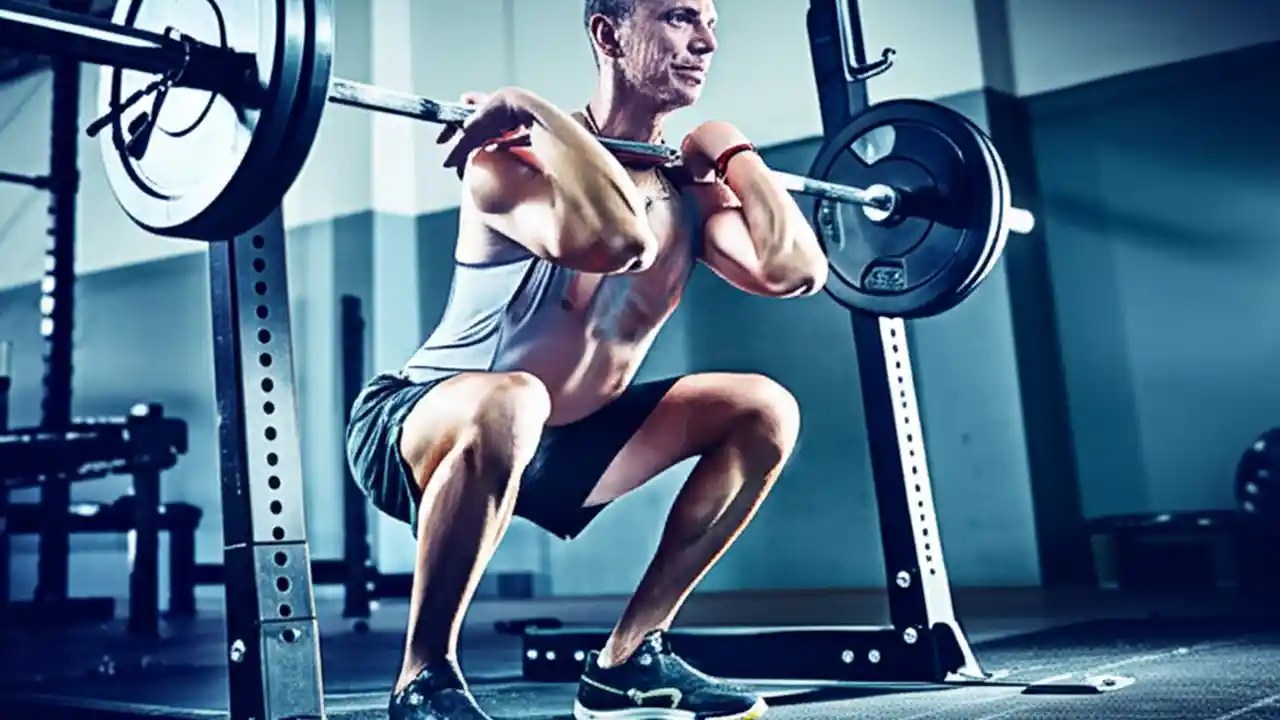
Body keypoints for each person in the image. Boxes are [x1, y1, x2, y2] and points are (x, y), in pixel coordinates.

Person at [345, 1, 828, 718]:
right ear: (608, 35)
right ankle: (424, 677)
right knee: (515, 399)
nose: (705, 41)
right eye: (678, 18)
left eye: (712, 24)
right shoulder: (506, 157)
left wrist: (730, 150)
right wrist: (533, 110)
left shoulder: (686, 192)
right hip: (423, 427)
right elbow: (615, 243)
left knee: (765, 409)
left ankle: (630, 660)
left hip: (563, 447)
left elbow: (797, 273)